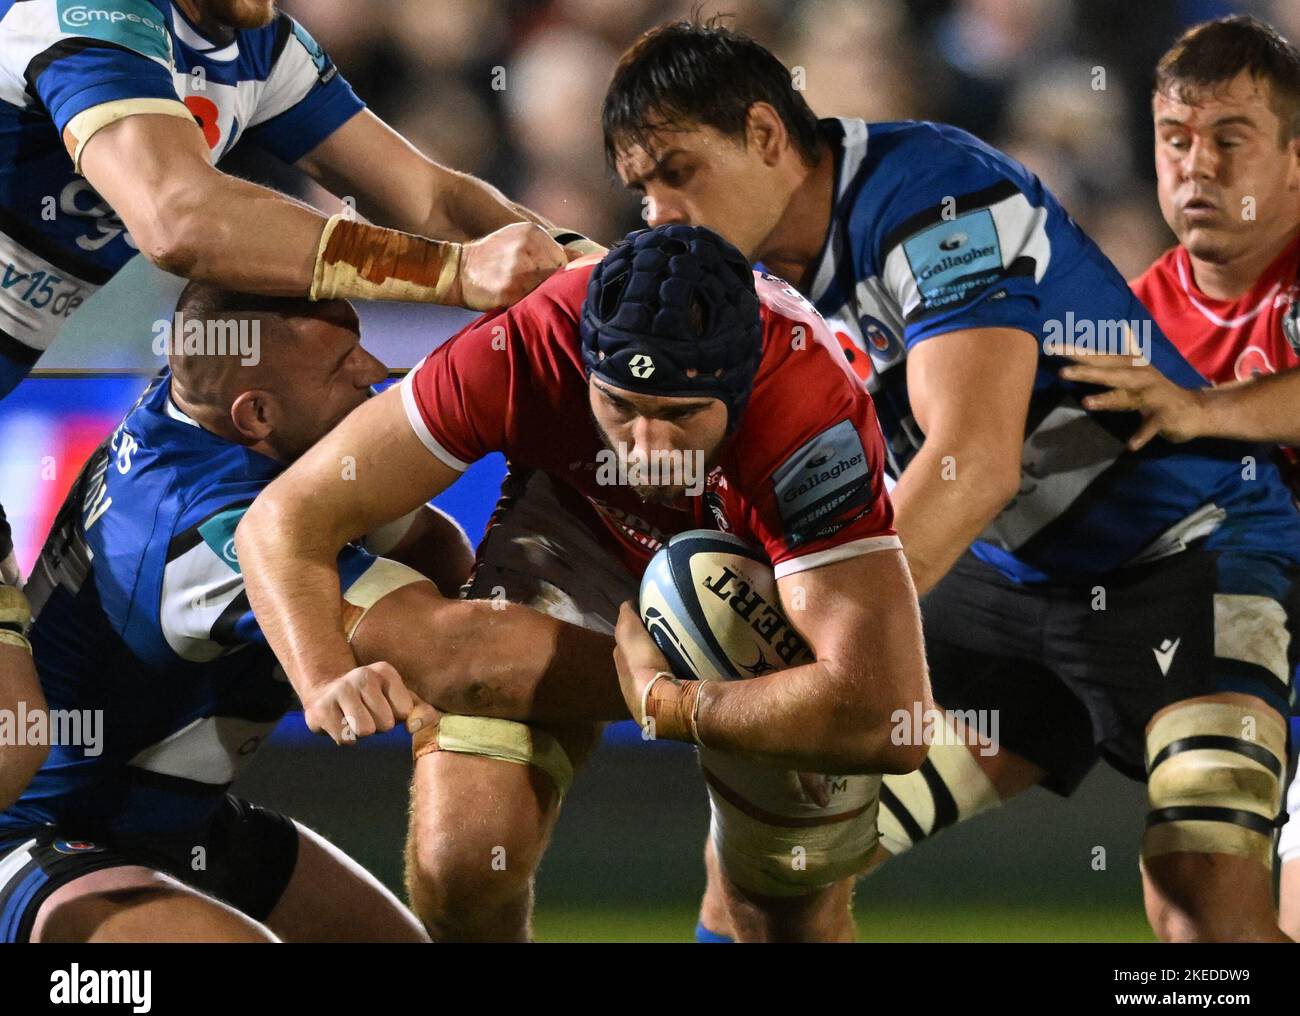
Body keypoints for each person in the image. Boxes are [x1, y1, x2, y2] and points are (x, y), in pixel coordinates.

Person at [602, 18, 1300, 941]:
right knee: (778, 867)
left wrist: (831, 655)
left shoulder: (939, 199)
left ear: (768, 135)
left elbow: (972, 460)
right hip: (1002, 582)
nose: (660, 212)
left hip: (1189, 558)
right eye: (640, 190)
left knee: (1200, 889)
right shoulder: (735, 287)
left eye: (677, 171)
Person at [236, 223, 933, 943]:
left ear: (742, 382)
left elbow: (888, 715)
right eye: (621, 407)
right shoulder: (529, 342)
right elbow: (283, 521)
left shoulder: (808, 408)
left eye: (680, 415)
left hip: (751, 565)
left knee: (781, 908)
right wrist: (319, 675)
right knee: (462, 864)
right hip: (577, 527)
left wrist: (679, 706)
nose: (648, 449)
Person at [0, 282, 620, 942]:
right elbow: (455, 652)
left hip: (180, 822)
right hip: (49, 836)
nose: (375, 370)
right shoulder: (203, 532)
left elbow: (434, 550)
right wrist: (690, 688)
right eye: (342, 363)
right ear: (258, 412)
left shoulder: (208, 412)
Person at [0, 0, 598, 580]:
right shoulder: (86, 8)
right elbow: (178, 220)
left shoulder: (260, 45)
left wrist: (596, 274)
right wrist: (453, 273)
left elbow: (431, 198)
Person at [1055, 16, 1300, 940]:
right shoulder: (1137, 323)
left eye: (1230, 141)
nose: (1196, 167)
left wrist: (1206, 409)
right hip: (1251, 654)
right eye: (1175, 140)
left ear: (1295, 158)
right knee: (1199, 908)